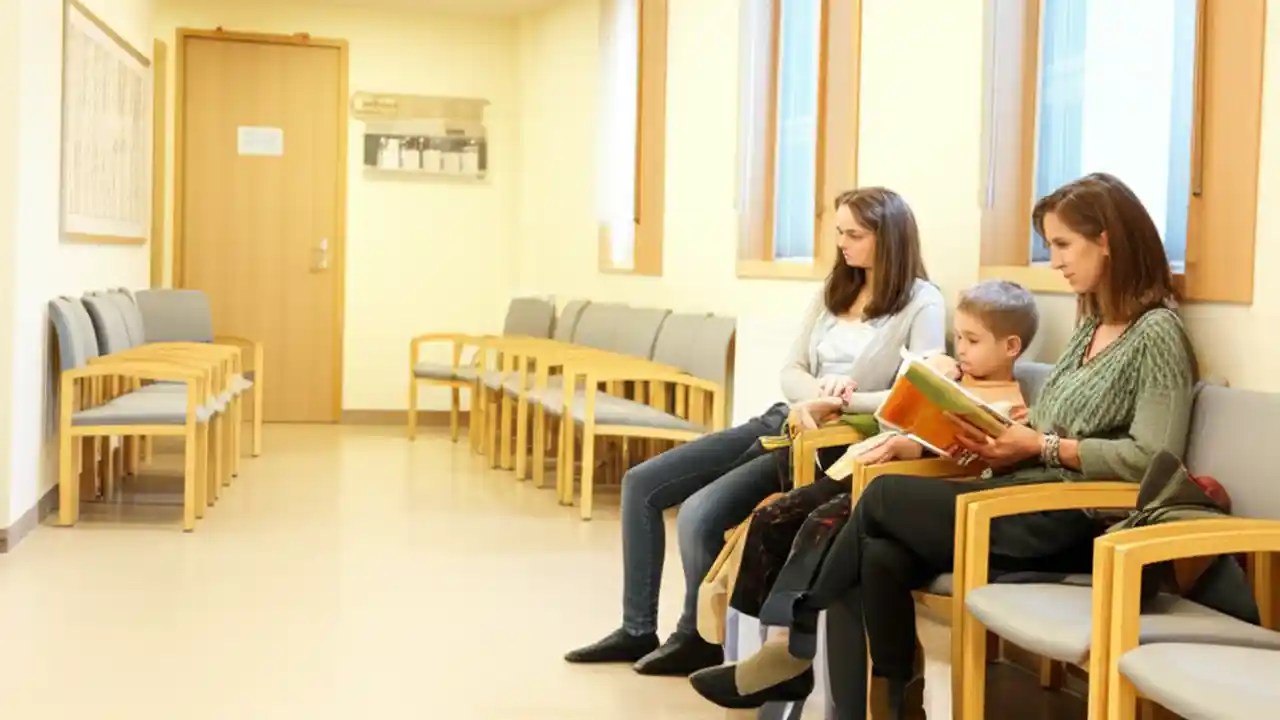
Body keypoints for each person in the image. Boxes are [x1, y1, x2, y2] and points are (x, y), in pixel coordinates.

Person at [693, 172, 1198, 718]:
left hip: (1075, 516)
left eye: (1062, 245)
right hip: (1024, 493)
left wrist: (1045, 447)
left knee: (881, 498)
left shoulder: (1157, 334)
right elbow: (1045, 427)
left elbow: (1152, 459)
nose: (1055, 261)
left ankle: (792, 641)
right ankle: (892, 702)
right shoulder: (1092, 323)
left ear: (1107, 240)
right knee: (880, 553)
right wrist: (989, 437)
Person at [563, 187, 947, 676]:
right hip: (785, 418)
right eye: (839, 233)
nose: (843, 244)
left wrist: (843, 401)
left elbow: (917, 390)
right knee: (642, 483)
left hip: (833, 440)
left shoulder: (922, 303)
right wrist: (810, 397)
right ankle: (636, 629)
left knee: (700, 515)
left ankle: (696, 638)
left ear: (889, 238)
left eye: (855, 234)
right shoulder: (836, 288)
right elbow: (792, 369)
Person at [690, 280, 1041, 709]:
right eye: (958, 337)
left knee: (826, 524)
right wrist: (925, 383)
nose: (961, 349)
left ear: (1010, 347)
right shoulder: (955, 378)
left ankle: (790, 652)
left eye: (972, 340)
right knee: (777, 516)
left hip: (913, 491)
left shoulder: (1011, 408)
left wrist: (908, 447)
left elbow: (971, 462)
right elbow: (905, 422)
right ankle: (778, 645)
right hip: (871, 466)